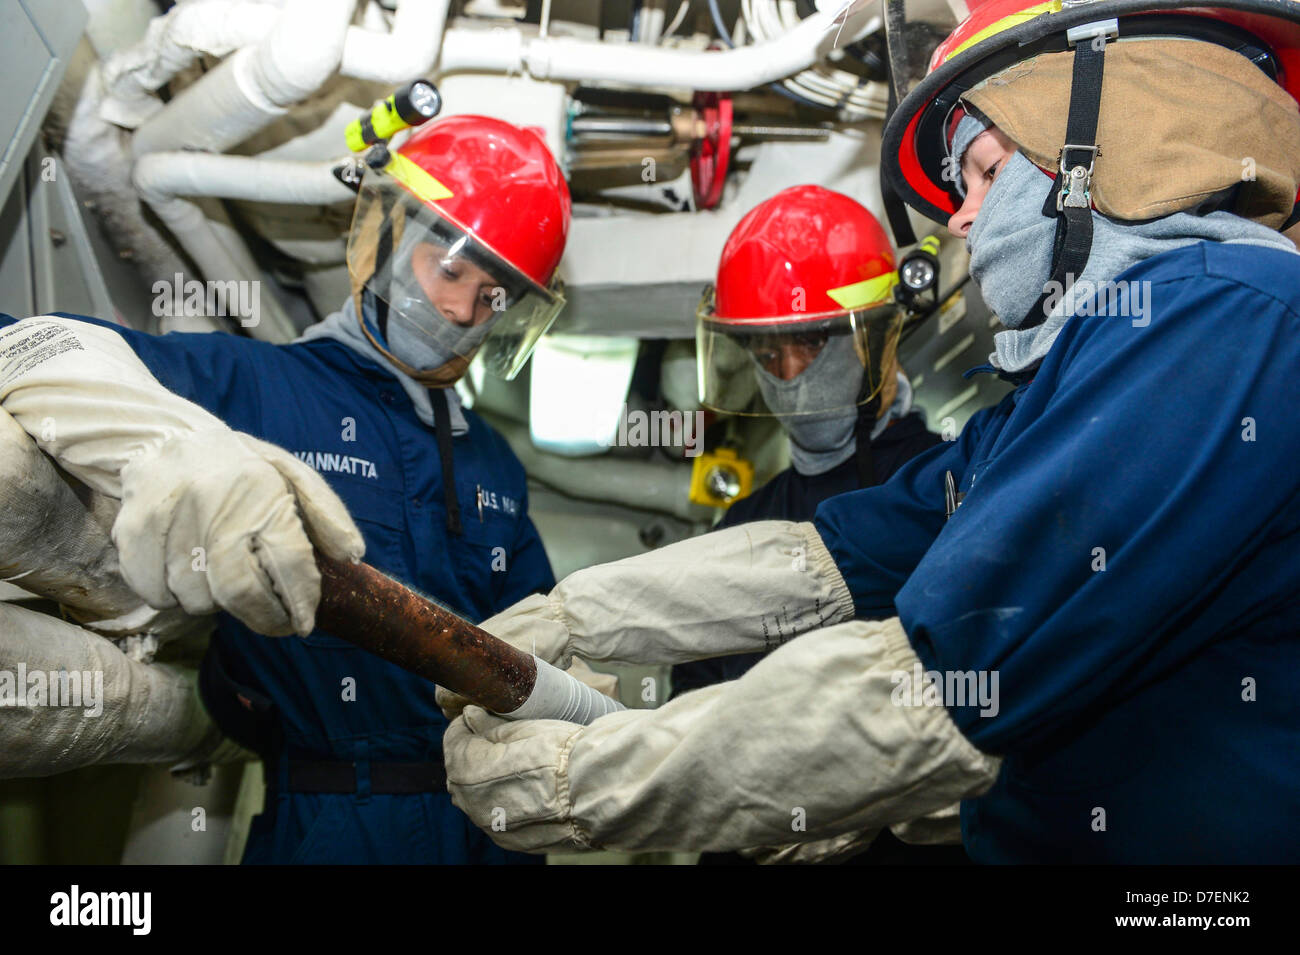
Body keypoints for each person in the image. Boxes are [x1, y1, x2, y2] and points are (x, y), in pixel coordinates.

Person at [437, 0, 1300, 863]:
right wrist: (577, 620)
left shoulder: (1228, 319)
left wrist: (586, 782)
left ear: (1097, 154)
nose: (961, 220)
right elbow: (846, 553)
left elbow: (941, 685)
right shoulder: (1104, 367)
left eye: (986, 173)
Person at [0, 114, 575, 864]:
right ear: (388, 236)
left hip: (496, 823)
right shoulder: (253, 384)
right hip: (334, 817)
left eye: (496, 295)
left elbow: (542, 637)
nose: (465, 310)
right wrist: (176, 446)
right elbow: (28, 341)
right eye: (450, 267)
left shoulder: (495, 462)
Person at [670, 185, 956, 864]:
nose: (789, 375)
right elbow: (692, 701)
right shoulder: (744, 521)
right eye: (767, 353)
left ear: (876, 337)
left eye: (808, 343)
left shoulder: (953, 488)